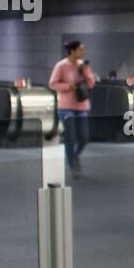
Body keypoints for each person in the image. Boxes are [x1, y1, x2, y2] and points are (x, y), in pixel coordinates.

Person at [48, 40, 96, 177]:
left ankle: (74, 155)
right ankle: (72, 164)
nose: (82, 52)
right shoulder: (61, 66)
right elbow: (52, 84)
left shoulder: (83, 65)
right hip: (66, 107)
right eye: (80, 50)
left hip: (81, 106)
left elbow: (91, 83)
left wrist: (85, 71)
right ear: (73, 51)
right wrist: (69, 86)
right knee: (71, 136)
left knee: (84, 137)